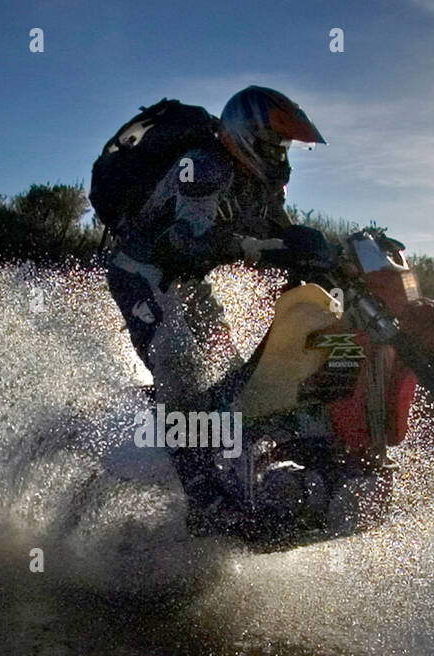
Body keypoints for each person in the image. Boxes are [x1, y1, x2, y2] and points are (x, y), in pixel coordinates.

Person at [104, 86, 341, 525]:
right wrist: (267, 250)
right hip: (141, 272)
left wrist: (324, 258)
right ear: (246, 136)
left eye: (285, 147)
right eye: (275, 144)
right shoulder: (204, 167)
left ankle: (244, 474)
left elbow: (281, 235)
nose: (281, 156)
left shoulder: (261, 182)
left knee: (228, 368)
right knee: (177, 367)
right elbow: (185, 244)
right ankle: (204, 503)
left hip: (183, 279)